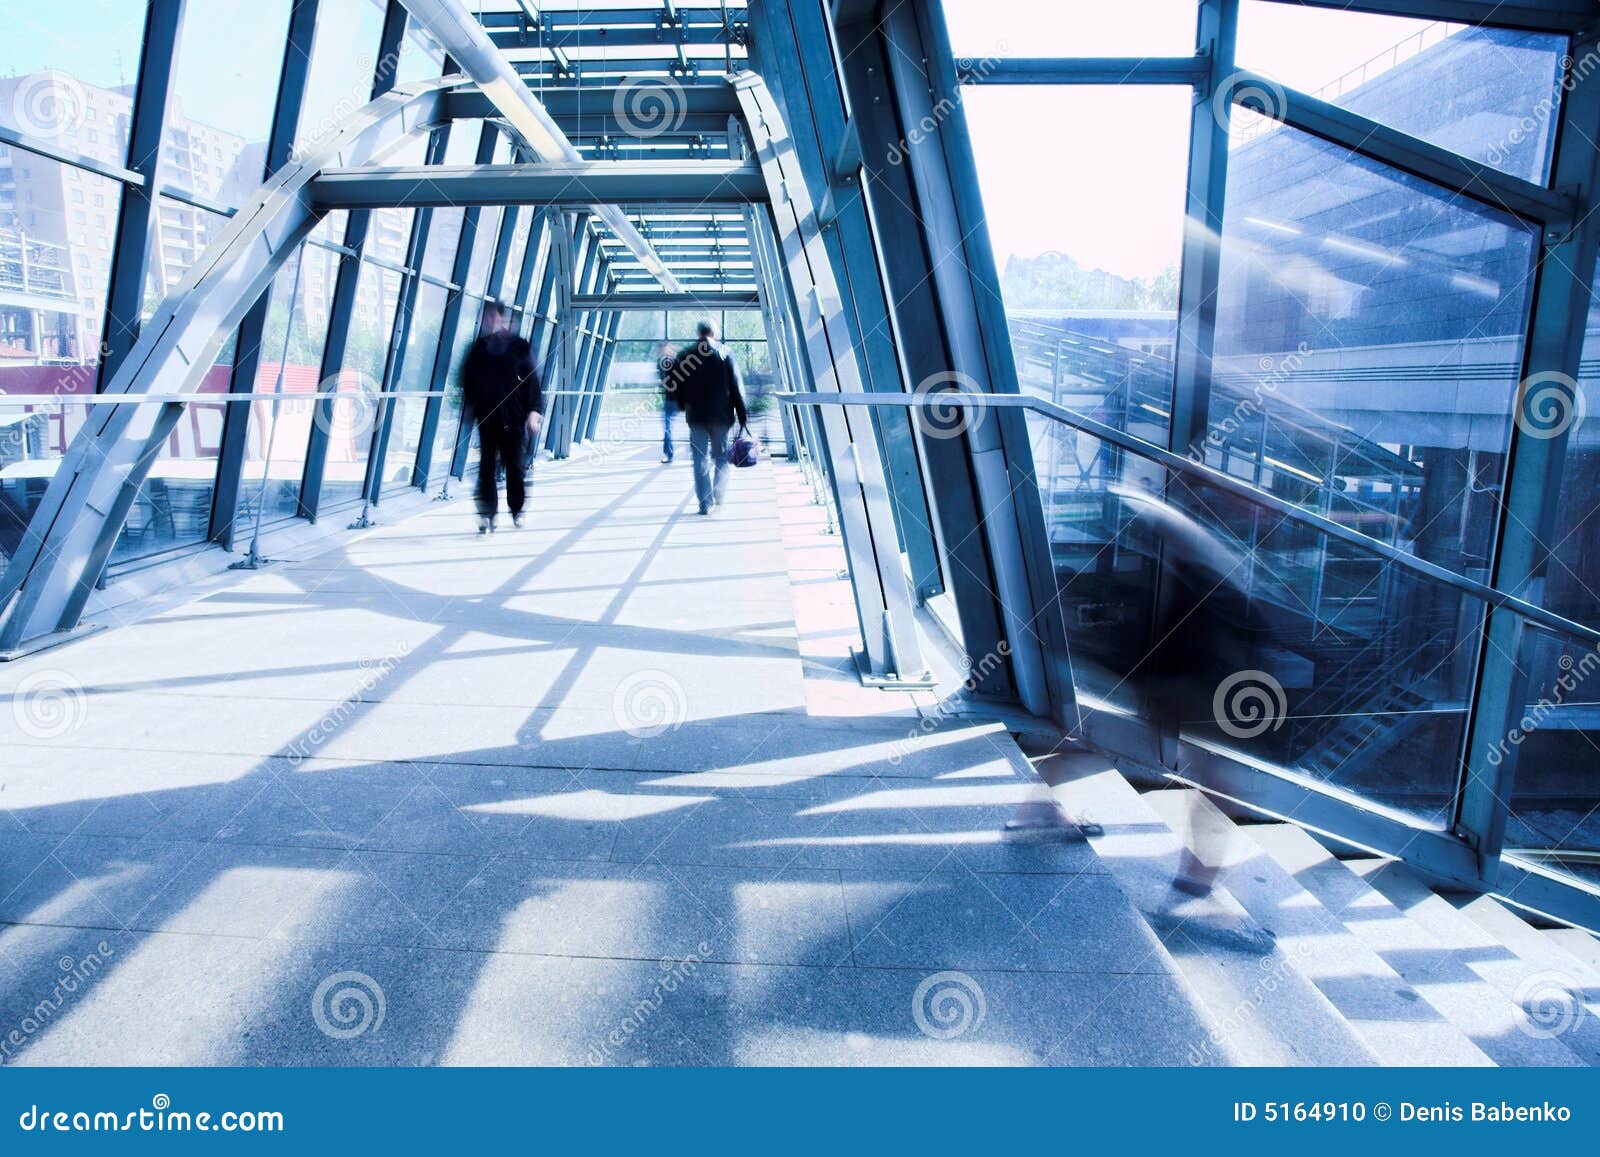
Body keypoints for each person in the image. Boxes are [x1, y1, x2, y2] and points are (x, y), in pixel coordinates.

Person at [461, 304, 543, 534]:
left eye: (494, 317)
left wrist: (533, 412)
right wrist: (472, 406)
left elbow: (533, 383)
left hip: (514, 420)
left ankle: (516, 509)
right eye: (488, 318)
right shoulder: (479, 349)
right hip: (488, 419)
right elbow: (468, 380)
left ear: (505, 320)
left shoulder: (520, 348)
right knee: (486, 469)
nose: (491, 322)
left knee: (515, 468)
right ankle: (487, 514)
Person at [670, 321, 748, 516]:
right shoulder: (725, 353)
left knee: (699, 459)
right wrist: (742, 416)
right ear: (714, 333)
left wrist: (683, 406)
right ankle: (719, 496)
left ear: (699, 333)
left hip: (696, 417)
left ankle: (705, 503)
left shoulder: (685, 355)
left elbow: (675, 385)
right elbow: (737, 387)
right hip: (722, 418)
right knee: (721, 458)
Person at [657, 341, 678, 464]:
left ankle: (669, 454)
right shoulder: (660, 363)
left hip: (675, 399)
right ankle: (669, 454)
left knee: (667, 426)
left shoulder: (675, 361)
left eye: (663, 348)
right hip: (670, 399)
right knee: (667, 427)